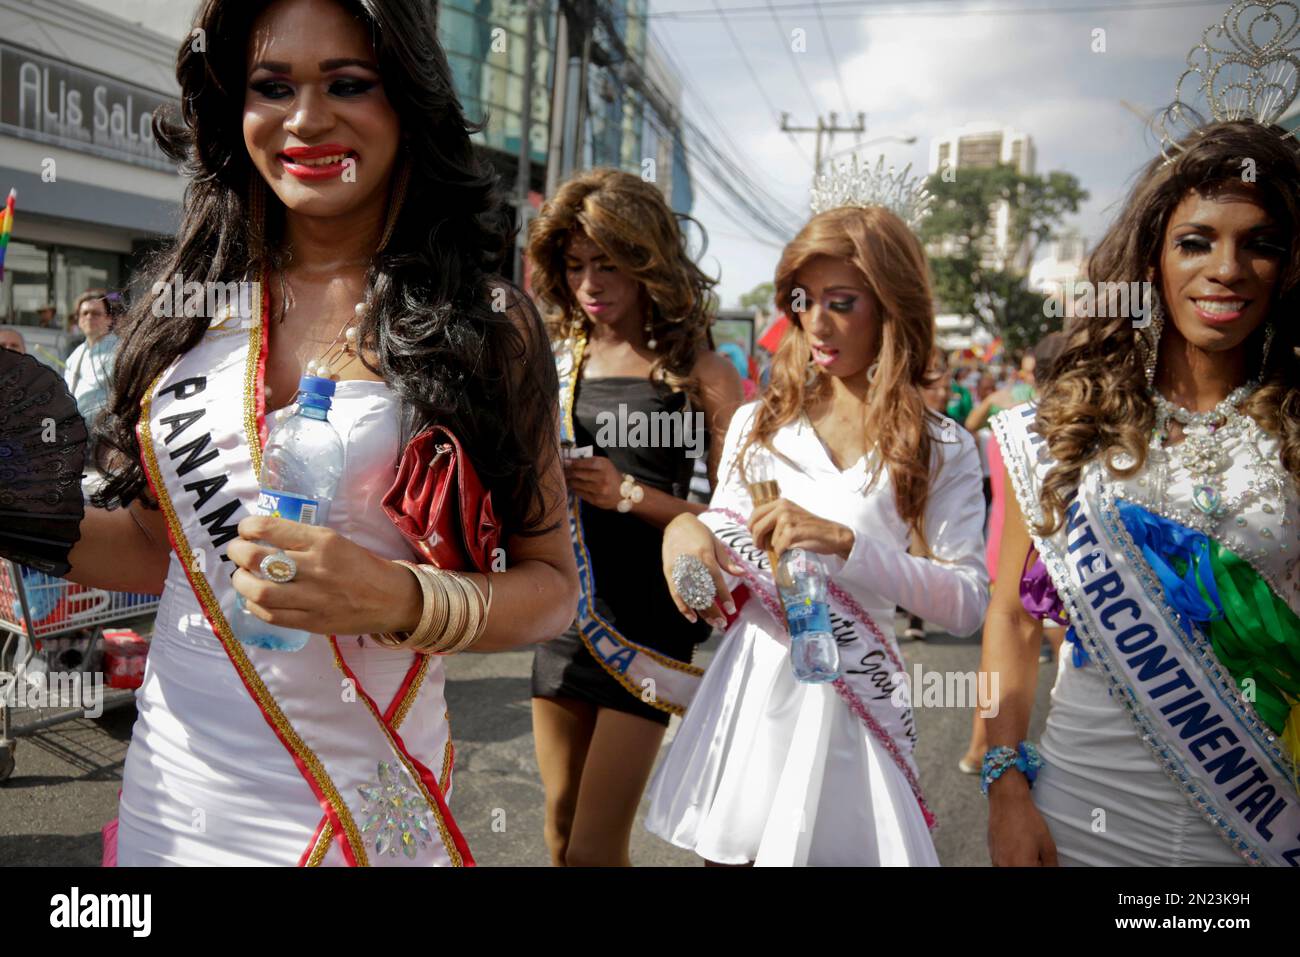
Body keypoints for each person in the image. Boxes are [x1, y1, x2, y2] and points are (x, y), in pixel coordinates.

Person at [45, 0, 579, 866]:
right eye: (271, 85)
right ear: (235, 107)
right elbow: (158, 545)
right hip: (175, 796)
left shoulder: (484, 325)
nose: (306, 119)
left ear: (404, 98)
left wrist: (401, 599)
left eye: (348, 83)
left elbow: (553, 587)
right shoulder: (185, 310)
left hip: (357, 801)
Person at [984, 118, 1300, 866]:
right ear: (1152, 258)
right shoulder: (1068, 423)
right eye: (1196, 241)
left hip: (1258, 822)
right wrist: (1005, 787)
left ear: (1289, 269)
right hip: (1080, 815)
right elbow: (1010, 617)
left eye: (1260, 243)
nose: (1226, 268)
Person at [648, 205, 989, 866]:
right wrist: (685, 537)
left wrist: (847, 543)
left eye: (844, 302)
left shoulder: (943, 446)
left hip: (853, 701)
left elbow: (968, 600)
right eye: (805, 301)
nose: (818, 323)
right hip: (752, 686)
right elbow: (720, 541)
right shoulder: (759, 422)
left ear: (891, 305)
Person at [526, 168, 743, 867]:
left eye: (609, 264)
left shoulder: (704, 372)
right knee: (559, 836)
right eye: (577, 264)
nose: (590, 283)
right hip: (566, 612)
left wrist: (629, 494)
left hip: (648, 621)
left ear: (648, 261)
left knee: (594, 849)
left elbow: (737, 517)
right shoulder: (560, 362)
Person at [63, 290, 118, 429]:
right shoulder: (74, 357)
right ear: (78, 320)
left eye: (96, 313)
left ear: (109, 318)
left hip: (107, 436)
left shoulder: (120, 350)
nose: (89, 317)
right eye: (85, 313)